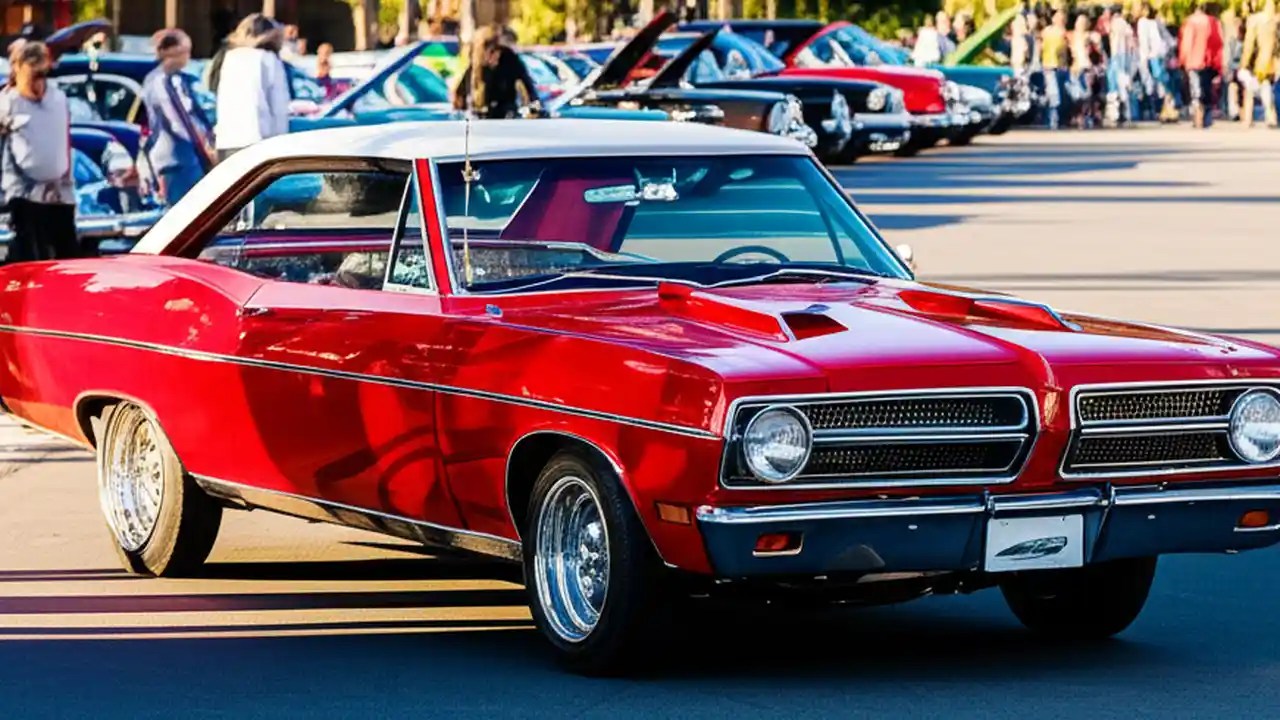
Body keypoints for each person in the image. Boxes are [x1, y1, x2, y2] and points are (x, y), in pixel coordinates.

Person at [0, 41, 77, 262]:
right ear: (18, 70)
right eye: (33, 75)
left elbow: (65, 140)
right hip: (24, 197)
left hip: (59, 195)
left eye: (43, 74)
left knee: (68, 260)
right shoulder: (7, 102)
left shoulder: (58, 99)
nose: (39, 82)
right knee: (31, 259)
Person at [140, 29, 213, 205]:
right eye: (186, 52)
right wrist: (203, 144)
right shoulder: (162, 81)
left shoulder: (171, 79)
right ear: (172, 52)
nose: (188, 57)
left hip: (182, 158)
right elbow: (177, 121)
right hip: (176, 158)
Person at [213, 13, 291, 161]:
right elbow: (278, 106)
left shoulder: (230, 58)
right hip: (258, 140)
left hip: (227, 139)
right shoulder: (269, 59)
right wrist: (281, 143)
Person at [451, 25, 539, 118]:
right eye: (491, 52)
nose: (496, 56)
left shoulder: (510, 61)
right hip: (482, 118)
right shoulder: (475, 67)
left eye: (498, 52)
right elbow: (460, 95)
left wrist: (531, 113)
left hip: (507, 116)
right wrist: (463, 114)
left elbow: (531, 91)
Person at [1179, 2, 1223, 128]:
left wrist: (1183, 60)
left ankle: (1197, 117)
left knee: (1195, 89)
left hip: (1193, 60)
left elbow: (1186, 43)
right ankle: (1206, 117)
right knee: (1206, 88)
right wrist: (1218, 63)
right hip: (1208, 60)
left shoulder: (1189, 22)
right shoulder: (1213, 22)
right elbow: (1218, 43)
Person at [1241, 0, 1279, 127]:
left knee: (1249, 90)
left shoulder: (1254, 20)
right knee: (1266, 87)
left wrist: (1244, 62)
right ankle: (1270, 116)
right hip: (1271, 61)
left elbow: (1249, 44)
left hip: (1257, 61)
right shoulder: (1274, 20)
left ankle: (1248, 119)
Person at [1108, 7, 1139, 125]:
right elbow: (1132, 42)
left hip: (1118, 55)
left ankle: (1117, 114)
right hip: (1125, 56)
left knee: (1116, 86)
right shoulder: (1126, 25)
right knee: (1125, 85)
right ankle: (1128, 113)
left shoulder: (1115, 23)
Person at [1042, 10, 1070, 128]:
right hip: (1051, 65)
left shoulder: (1051, 31)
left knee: (1055, 92)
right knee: (1054, 92)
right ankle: (1053, 118)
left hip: (1056, 66)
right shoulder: (1053, 32)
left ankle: (1053, 117)